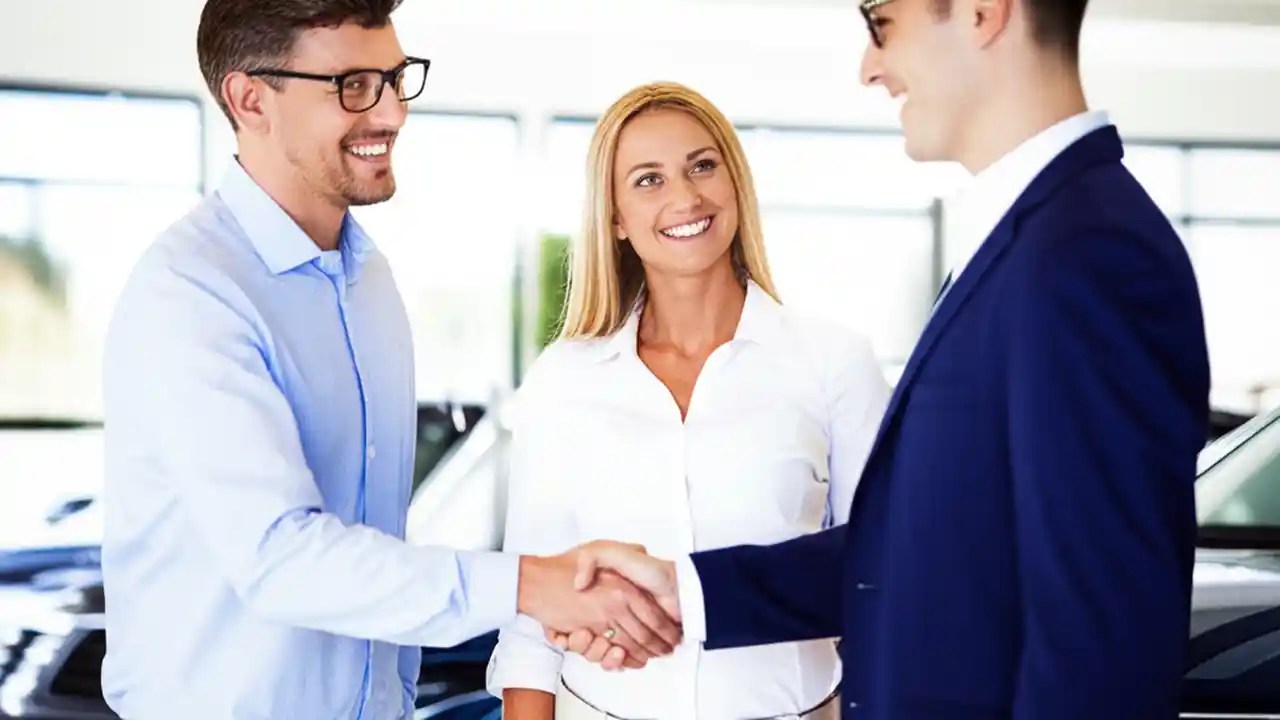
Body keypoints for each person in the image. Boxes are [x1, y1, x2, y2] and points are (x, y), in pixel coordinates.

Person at [562, 1, 1212, 718]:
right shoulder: (1030, 245)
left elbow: (1103, 641)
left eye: (882, 24)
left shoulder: (1088, 259)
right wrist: (680, 590)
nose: (870, 67)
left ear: (981, 13)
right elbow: (925, 554)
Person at [100, 2, 679, 718]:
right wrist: (537, 585)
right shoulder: (191, 293)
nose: (392, 112)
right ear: (251, 99)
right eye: (351, 85)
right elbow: (280, 557)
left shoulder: (368, 281)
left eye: (395, 78)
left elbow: (372, 547)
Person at [485, 81, 891, 720]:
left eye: (702, 165)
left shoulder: (833, 362)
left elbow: (883, 575)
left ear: (735, 184)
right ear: (614, 217)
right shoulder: (565, 379)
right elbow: (530, 621)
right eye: (647, 180)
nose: (685, 196)